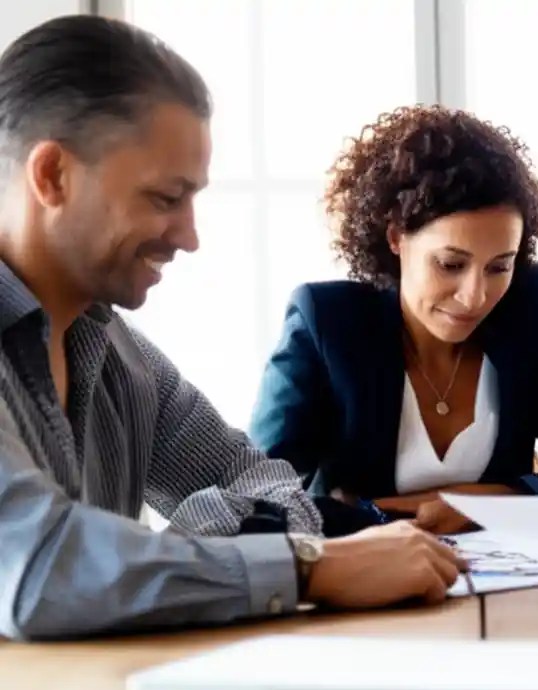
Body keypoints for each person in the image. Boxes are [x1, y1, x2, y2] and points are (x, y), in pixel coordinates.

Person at [0, 16, 463, 641]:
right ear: (52, 175)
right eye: (166, 199)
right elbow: (39, 571)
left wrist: (152, 562)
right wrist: (304, 567)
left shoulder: (121, 355)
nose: (190, 237)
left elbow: (267, 482)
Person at [250, 105, 538, 537]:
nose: (475, 296)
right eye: (451, 264)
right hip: (369, 585)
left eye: (499, 267)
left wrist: (467, 506)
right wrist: (379, 517)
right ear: (396, 237)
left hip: (513, 582)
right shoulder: (328, 323)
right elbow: (257, 501)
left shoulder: (535, 304)